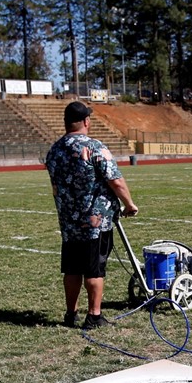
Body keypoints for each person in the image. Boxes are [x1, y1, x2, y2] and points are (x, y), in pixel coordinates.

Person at [45, 101, 140, 330]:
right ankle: (94, 315)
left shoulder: (54, 151)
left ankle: (71, 313)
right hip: (94, 220)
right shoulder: (95, 147)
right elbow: (115, 180)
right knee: (94, 269)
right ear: (86, 121)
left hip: (69, 221)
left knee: (71, 269)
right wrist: (129, 204)